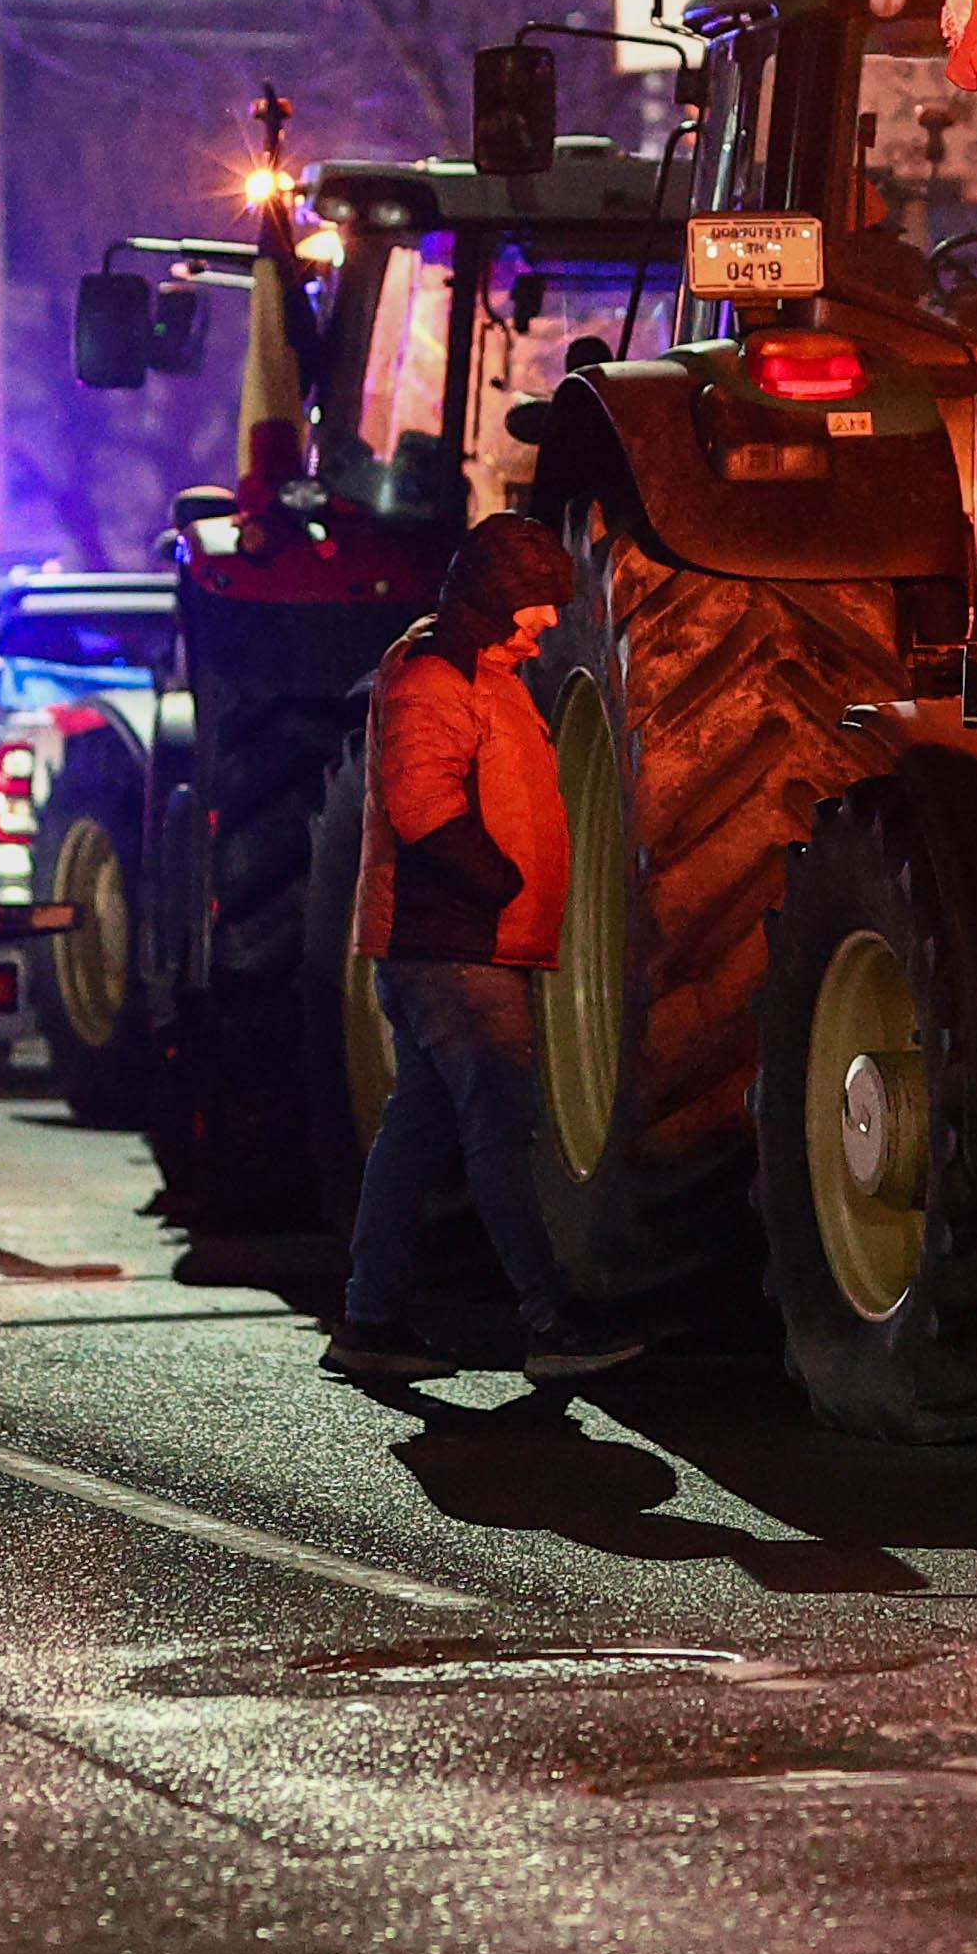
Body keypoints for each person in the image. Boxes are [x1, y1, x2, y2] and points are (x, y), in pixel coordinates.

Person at [326, 516, 640, 1386]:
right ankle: (551, 1318)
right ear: (498, 598)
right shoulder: (436, 674)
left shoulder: (487, 675)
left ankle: (369, 1320)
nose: (550, 621)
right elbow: (423, 804)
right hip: (455, 949)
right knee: (502, 1133)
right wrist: (501, 883)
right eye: (537, 605)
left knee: (418, 1132)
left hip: (459, 946)